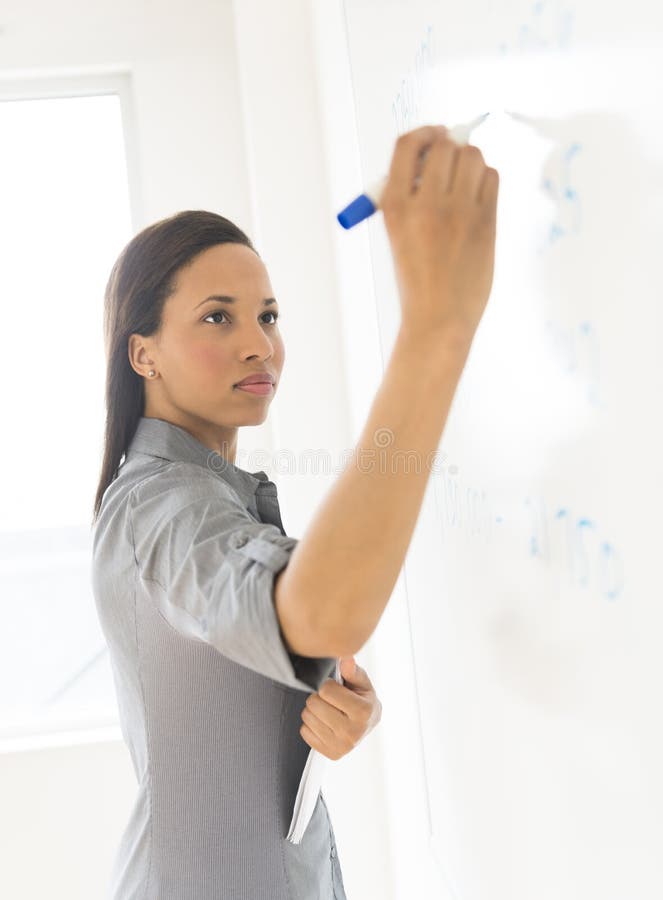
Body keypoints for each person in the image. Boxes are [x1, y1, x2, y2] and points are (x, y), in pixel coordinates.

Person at [90, 123, 498, 899]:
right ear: (143, 353)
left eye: (268, 316)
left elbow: (302, 624)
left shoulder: (204, 493)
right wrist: (434, 329)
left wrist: (315, 700)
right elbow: (322, 613)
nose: (259, 345)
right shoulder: (159, 505)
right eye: (218, 317)